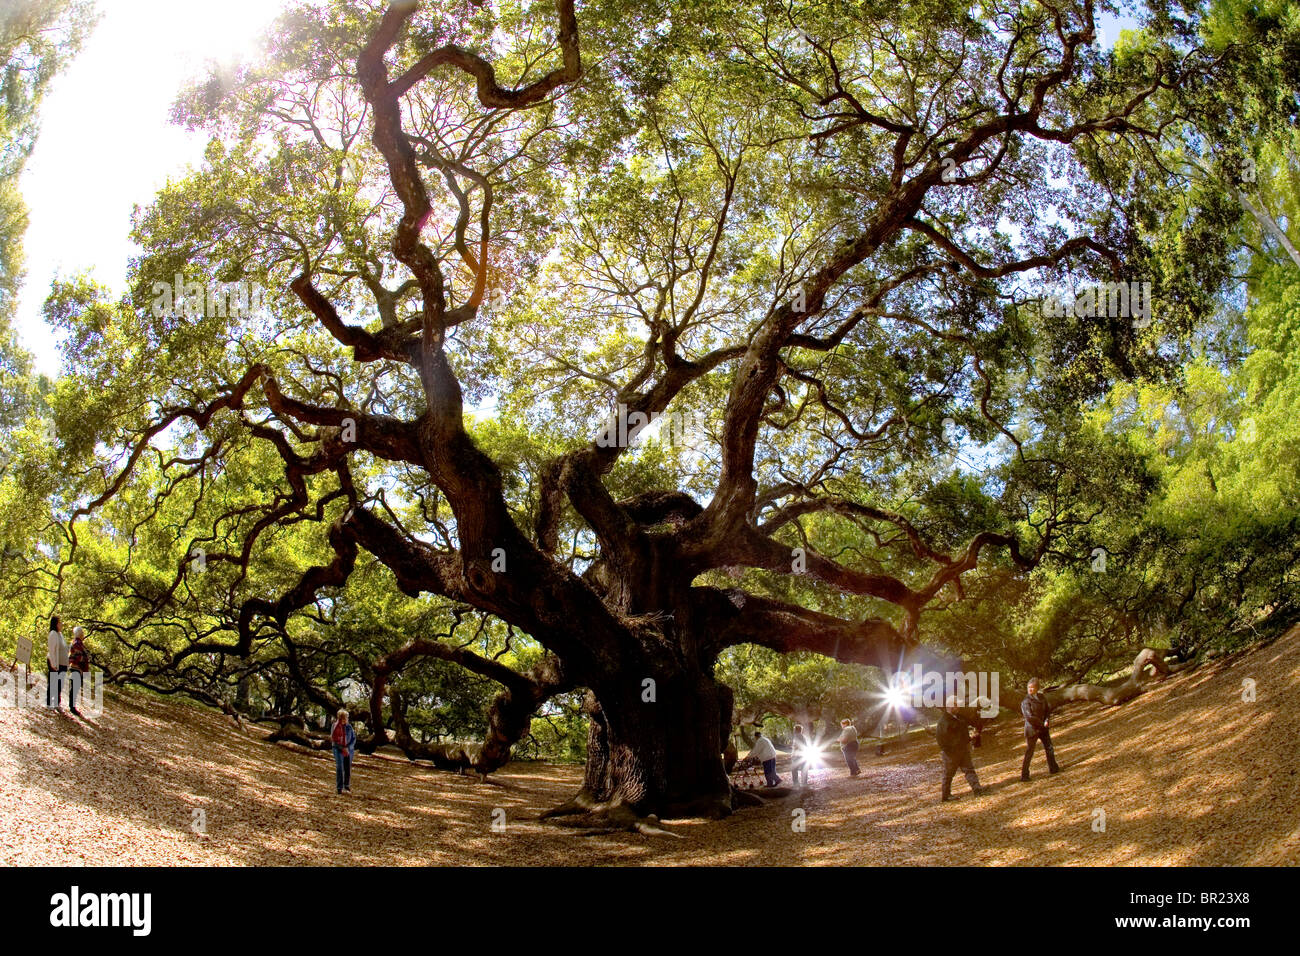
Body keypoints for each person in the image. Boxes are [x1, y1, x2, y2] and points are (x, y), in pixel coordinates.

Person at [936, 695, 983, 802]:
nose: (959, 707)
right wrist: (950, 751)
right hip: (951, 753)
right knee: (948, 775)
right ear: (951, 706)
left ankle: (977, 789)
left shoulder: (959, 717)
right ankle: (946, 796)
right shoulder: (943, 722)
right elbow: (942, 740)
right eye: (956, 705)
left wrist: (971, 736)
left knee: (969, 770)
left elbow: (967, 727)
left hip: (963, 750)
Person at [1020, 678, 1061, 781]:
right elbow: (1029, 717)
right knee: (1030, 752)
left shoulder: (1042, 697)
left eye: (1032, 687)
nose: (1030, 689)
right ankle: (1024, 775)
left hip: (1043, 728)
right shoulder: (1026, 701)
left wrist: (1047, 720)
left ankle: (1053, 768)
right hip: (1032, 729)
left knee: (1049, 748)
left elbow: (1047, 709)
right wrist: (1041, 724)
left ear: (1037, 688)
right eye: (1028, 687)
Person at [331, 708, 357, 794]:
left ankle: (347, 785)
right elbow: (334, 741)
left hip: (349, 749)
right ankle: (339, 787)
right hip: (338, 749)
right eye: (346, 717)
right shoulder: (335, 726)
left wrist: (348, 748)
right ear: (341, 718)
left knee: (347, 768)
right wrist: (342, 748)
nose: (347, 719)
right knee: (340, 767)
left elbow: (353, 739)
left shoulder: (349, 727)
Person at [46, 616, 68, 711]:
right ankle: (49, 702)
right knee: (53, 683)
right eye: (60, 623)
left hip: (62, 664)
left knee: (60, 684)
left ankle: (57, 703)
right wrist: (53, 664)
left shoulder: (60, 634)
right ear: (55, 624)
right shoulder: (53, 634)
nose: (61, 624)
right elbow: (52, 650)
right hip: (55, 663)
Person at [67, 626, 90, 716]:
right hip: (76, 668)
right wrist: (84, 661)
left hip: (78, 669)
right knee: (74, 688)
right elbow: (77, 656)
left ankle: (72, 706)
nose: (83, 635)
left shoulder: (79, 643)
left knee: (75, 688)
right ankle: (72, 707)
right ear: (79, 634)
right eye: (82, 633)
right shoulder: (77, 643)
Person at [790, 723, 810, 788]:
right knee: (804, 769)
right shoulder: (803, 736)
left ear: (796, 730)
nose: (794, 731)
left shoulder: (797, 736)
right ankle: (804, 783)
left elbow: (797, 746)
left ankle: (796, 783)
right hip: (804, 754)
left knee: (794, 769)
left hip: (798, 755)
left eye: (794, 729)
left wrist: (793, 754)